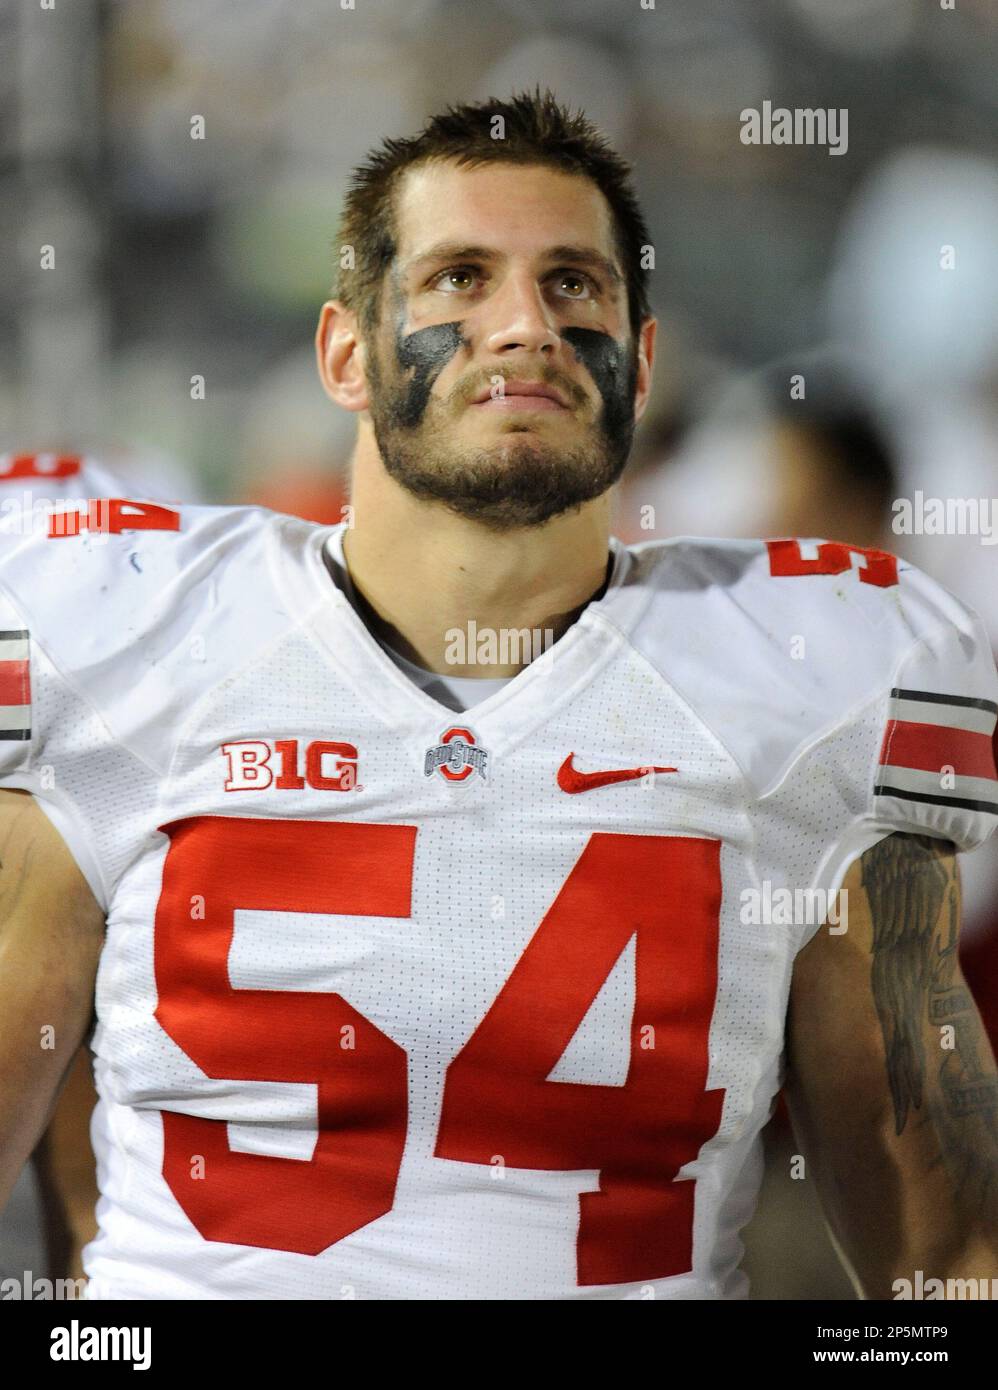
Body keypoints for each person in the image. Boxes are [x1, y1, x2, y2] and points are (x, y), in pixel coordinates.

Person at [0, 89, 995, 1300]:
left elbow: (944, 1265)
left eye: (573, 283)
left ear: (637, 356)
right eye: (459, 278)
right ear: (346, 354)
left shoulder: (810, 683)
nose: (523, 324)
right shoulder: (127, 640)